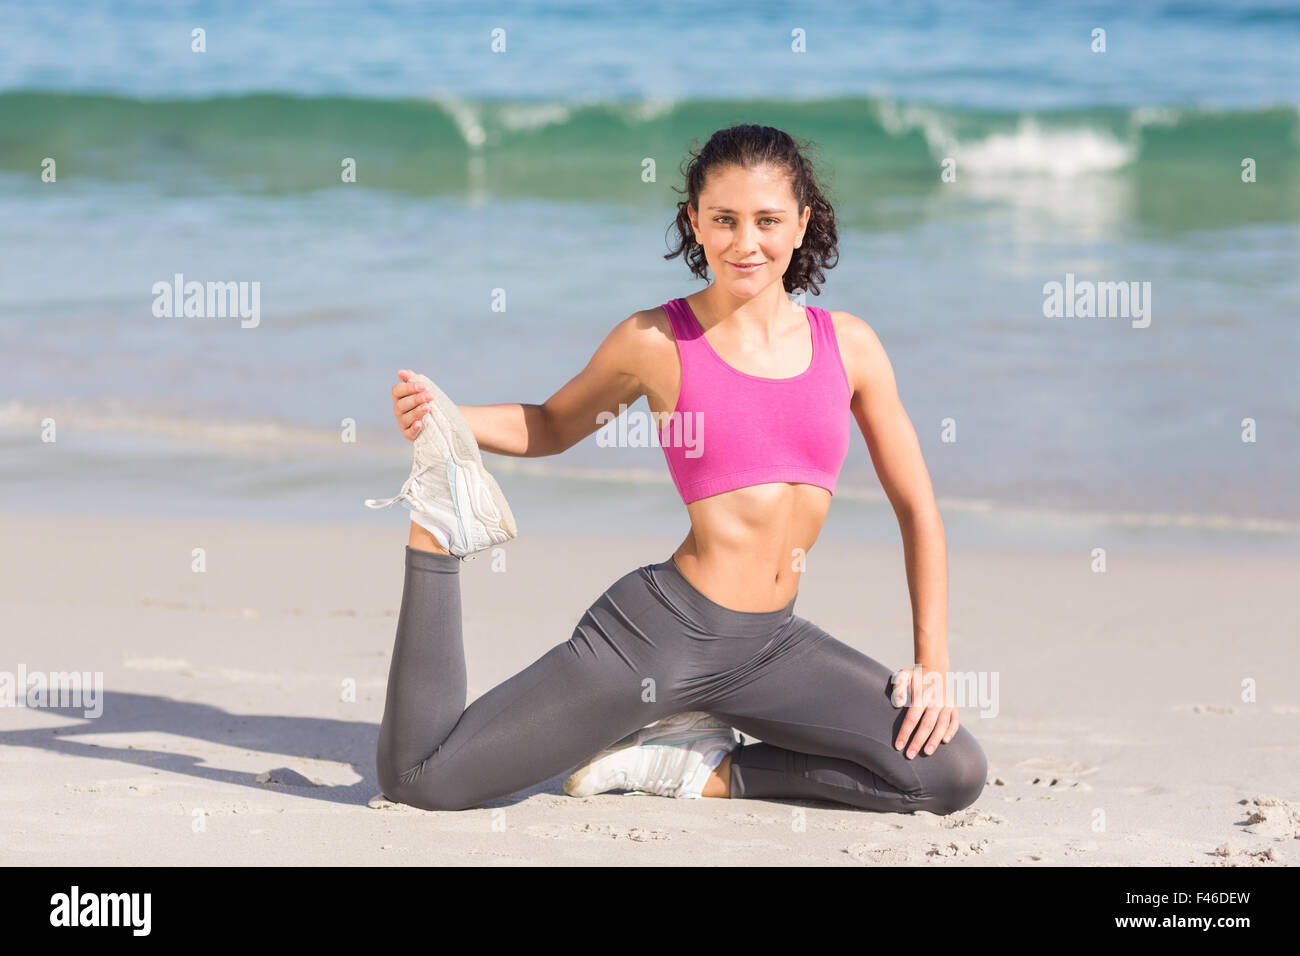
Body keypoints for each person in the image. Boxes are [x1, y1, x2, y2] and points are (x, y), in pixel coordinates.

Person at [363, 124, 988, 814]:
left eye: (767, 221)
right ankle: (435, 531)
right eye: (723, 219)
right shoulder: (657, 340)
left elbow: (918, 511)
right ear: (694, 220)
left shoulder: (851, 347)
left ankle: (689, 764)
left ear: (803, 223)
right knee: (422, 778)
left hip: (772, 646)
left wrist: (932, 667)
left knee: (949, 771)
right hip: (659, 637)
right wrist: (447, 416)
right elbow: (554, 425)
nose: (745, 243)